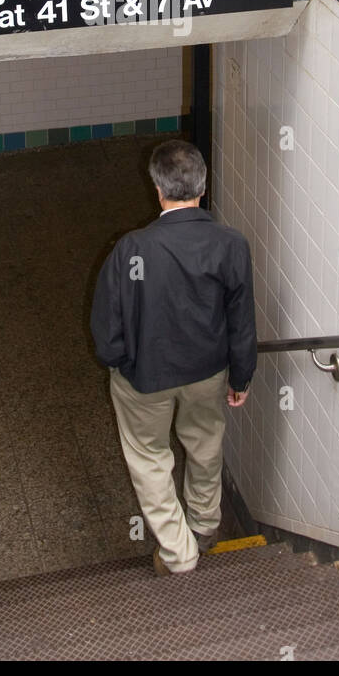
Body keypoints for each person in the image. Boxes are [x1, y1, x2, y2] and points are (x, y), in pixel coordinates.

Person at [91, 139, 257, 576]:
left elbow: (107, 326)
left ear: (158, 189)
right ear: (202, 188)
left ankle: (179, 554)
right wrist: (241, 375)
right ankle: (204, 525)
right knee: (205, 445)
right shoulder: (230, 244)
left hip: (145, 376)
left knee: (149, 459)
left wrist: (117, 362)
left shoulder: (132, 250)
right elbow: (241, 320)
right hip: (207, 372)